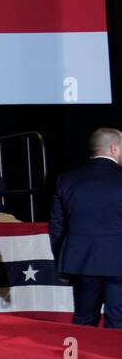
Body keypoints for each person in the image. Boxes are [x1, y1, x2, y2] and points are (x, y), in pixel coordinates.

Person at [49, 128, 122, 328]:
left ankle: (76, 358)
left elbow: (56, 227)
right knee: (118, 322)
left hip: (81, 262)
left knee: (83, 321)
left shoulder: (67, 179)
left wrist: (62, 263)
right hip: (119, 262)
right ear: (114, 148)